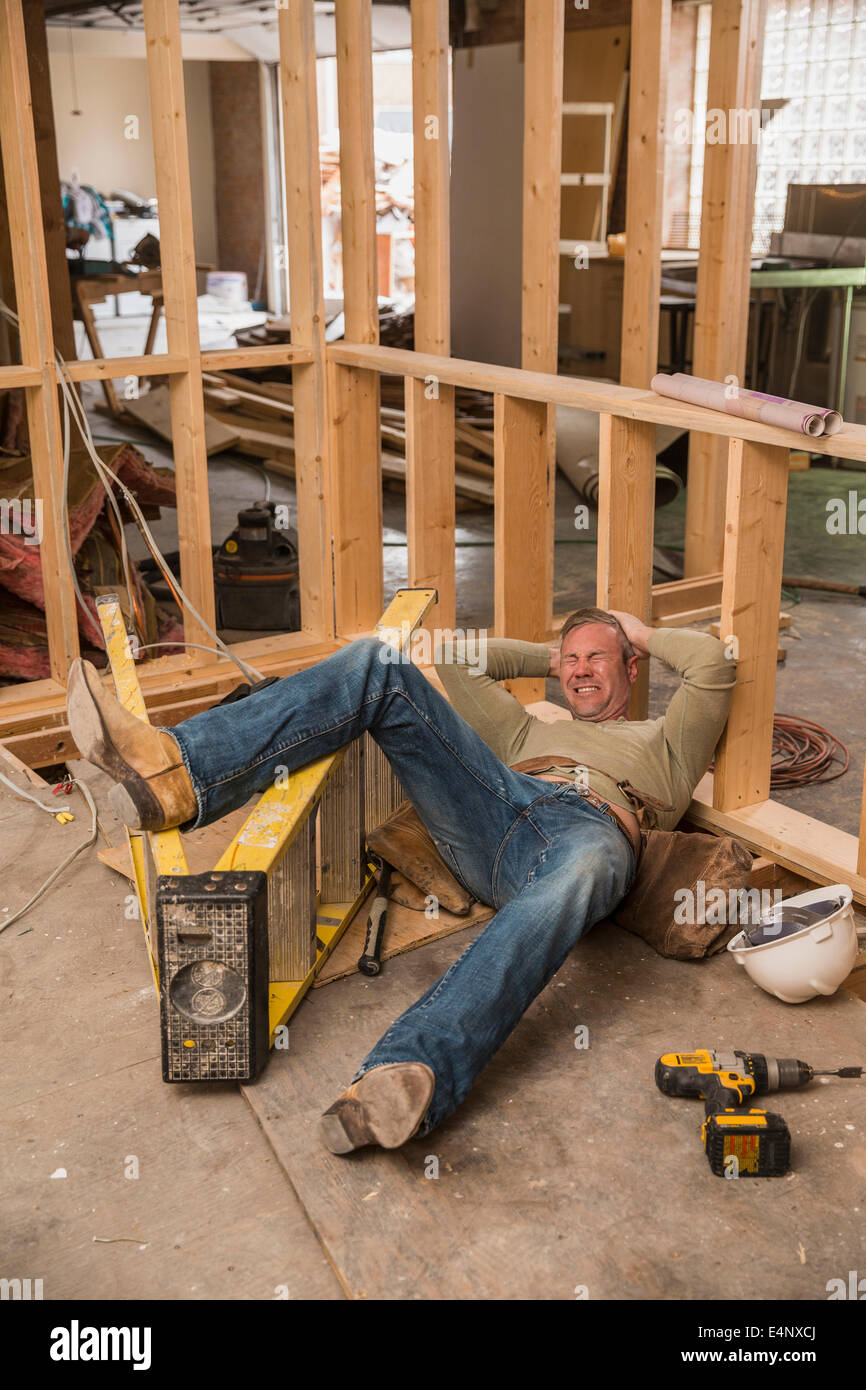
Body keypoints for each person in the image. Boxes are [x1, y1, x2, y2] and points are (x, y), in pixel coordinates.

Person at [66, 606, 735, 1154]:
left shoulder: (665, 745)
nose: (582, 670)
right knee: (376, 663)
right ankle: (177, 773)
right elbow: (454, 655)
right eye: (573, 660)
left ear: (633, 665)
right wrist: (556, 650)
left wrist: (630, 628)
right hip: (494, 808)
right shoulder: (524, 729)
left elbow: (712, 664)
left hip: (586, 835)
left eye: (600, 658)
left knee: (586, 867)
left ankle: (405, 1075)